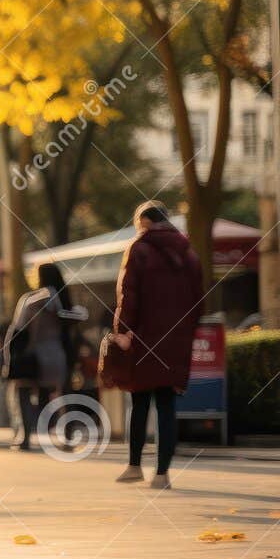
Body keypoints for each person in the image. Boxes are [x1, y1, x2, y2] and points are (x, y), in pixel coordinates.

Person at [111, 200, 204, 490]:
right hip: (176, 340)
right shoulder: (187, 251)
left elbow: (128, 295)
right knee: (166, 404)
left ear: (145, 222)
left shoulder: (139, 249)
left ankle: (134, 466)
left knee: (139, 401)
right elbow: (199, 299)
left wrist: (122, 331)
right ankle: (162, 473)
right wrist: (187, 331)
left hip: (143, 338)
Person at [2, 262, 85, 451]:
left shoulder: (31, 300)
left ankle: (25, 436)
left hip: (34, 354)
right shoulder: (64, 300)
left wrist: (9, 358)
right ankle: (69, 436)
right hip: (58, 354)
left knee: (23, 390)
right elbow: (77, 320)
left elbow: (18, 328)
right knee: (64, 393)